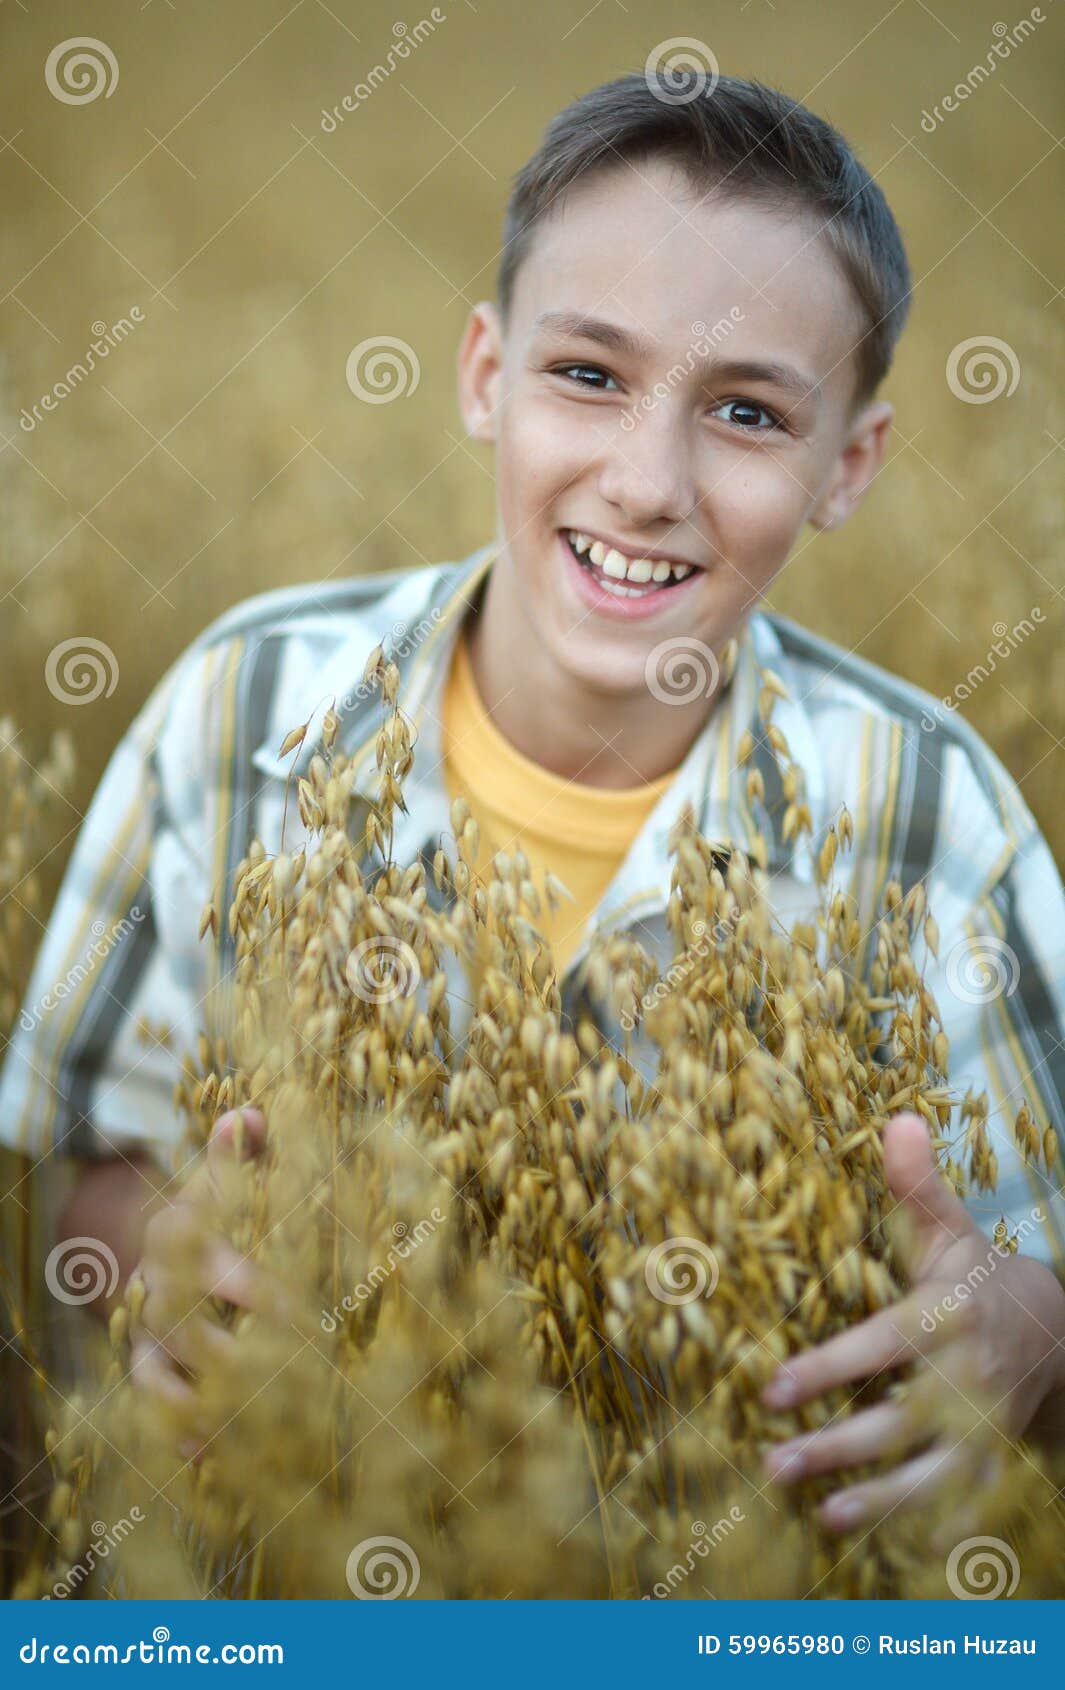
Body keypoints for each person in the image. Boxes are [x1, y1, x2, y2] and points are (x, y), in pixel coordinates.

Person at [2, 73, 1064, 1536]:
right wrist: (155, 1266)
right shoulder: (238, 714)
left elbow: (1021, 1281)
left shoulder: (931, 816)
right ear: (485, 373)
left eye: (747, 411)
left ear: (847, 466)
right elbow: (80, 1168)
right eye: (588, 375)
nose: (645, 482)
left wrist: (1024, 1329)